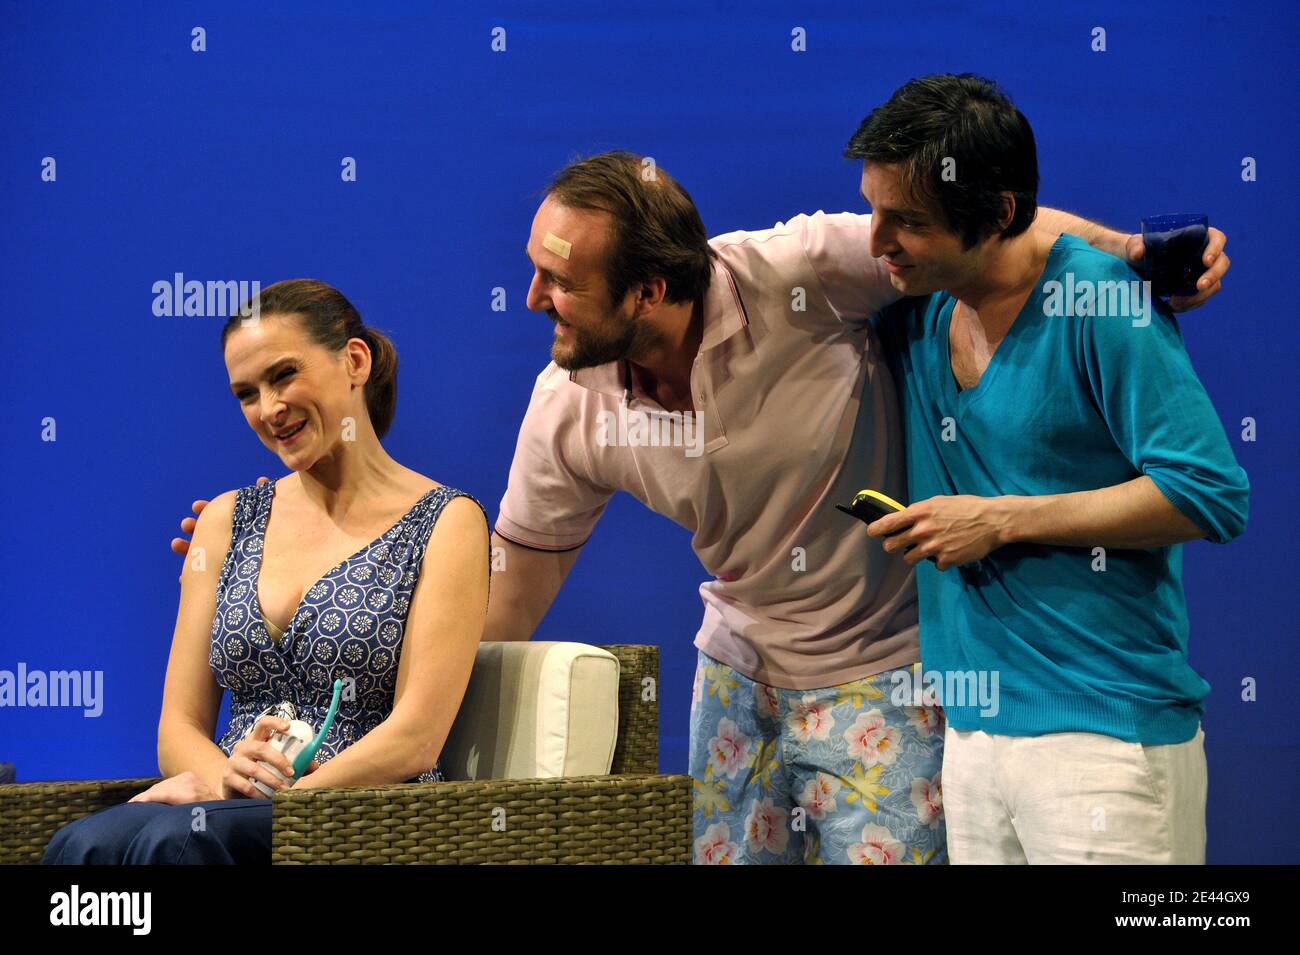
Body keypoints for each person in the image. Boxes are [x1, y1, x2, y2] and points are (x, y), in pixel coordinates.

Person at [171, 153, 1226, 864]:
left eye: (560, 282)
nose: (532, 301)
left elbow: (957, 235)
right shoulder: (567, 407)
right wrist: (315, 595)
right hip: (737, 670)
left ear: (651, 292)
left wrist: (1130, 260)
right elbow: (504, 599)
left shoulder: (796, 272)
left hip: (884, 664)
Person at [855, 74, 1248, 863]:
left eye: (908, 221)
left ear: (996, 213)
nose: (877, 242)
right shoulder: (921, 302)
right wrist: (1131, 241)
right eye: (874, 211)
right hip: (971, 739)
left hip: (1105, 739)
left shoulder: (1103, 305)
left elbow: (1209, 493)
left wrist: (1001, 518)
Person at [44, 279, 489, 864]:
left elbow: (415, 738)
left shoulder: (448, 522)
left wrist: (279, 798)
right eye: (246, 393)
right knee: (82, 844)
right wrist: (224, 780)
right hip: (229, 803)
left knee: (178, 841)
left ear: (355, 361)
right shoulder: (228, 519)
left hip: (364, 812)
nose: (268, 409)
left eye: (284, 376)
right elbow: (178, 725)